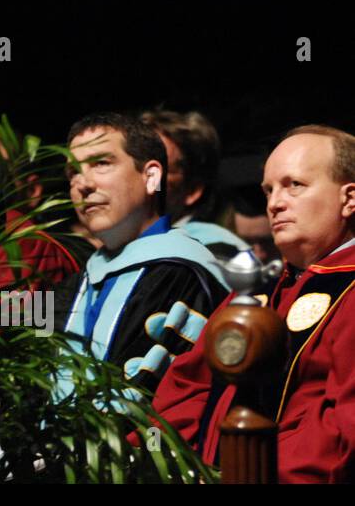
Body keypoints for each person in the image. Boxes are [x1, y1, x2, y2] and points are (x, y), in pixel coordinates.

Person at [152, 125, 355, 482]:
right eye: (269, 189)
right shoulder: (258, 289)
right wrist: (161, 459)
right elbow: (188, 386)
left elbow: (342, 431)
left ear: (349, 198)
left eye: (295, 185)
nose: (275, 203)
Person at [52, 113, 228, 398]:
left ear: (152, 177)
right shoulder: (74, 286)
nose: (82, 184)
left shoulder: (182, 274)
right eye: (73, 172)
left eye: (101, 164)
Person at [140, 109, 249, 259]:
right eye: (136, 161)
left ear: (192, 191)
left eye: (154, 170)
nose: (139, 177)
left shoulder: (216, 251)